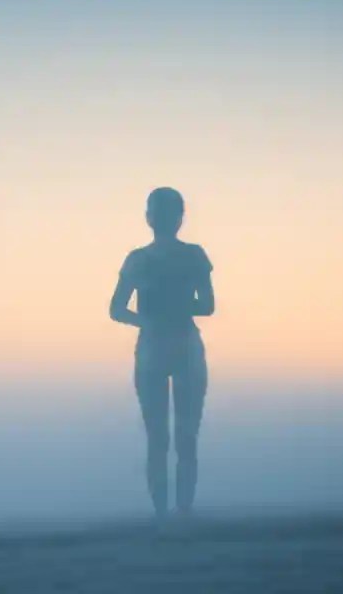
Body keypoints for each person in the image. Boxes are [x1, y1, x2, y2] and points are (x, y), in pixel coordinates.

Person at [109, 187, 214, 517]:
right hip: (177, 346)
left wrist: (151, 319)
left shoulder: (139, 259)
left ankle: (168, 514)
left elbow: (116, 309)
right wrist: (174, 310)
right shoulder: (191, 255)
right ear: (180, 217)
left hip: (160, 347)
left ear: (149, 217)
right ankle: (179, 511)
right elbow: (207, 306)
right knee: (182, 436)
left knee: (162, 437)